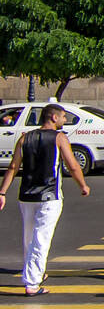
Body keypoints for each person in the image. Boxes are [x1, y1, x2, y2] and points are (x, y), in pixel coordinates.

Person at [0, 103, 90, 294]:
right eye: (64, 117)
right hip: (49, 196)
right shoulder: (60, 138)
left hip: (26, 195)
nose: (65, 120)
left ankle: (35, 272)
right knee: (41, 238)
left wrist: (2, 192)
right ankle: (32, 283)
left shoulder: (25, 138)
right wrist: (82, 185)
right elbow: (72, 165)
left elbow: (13, 167)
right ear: (54, 118)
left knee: (29, 237)